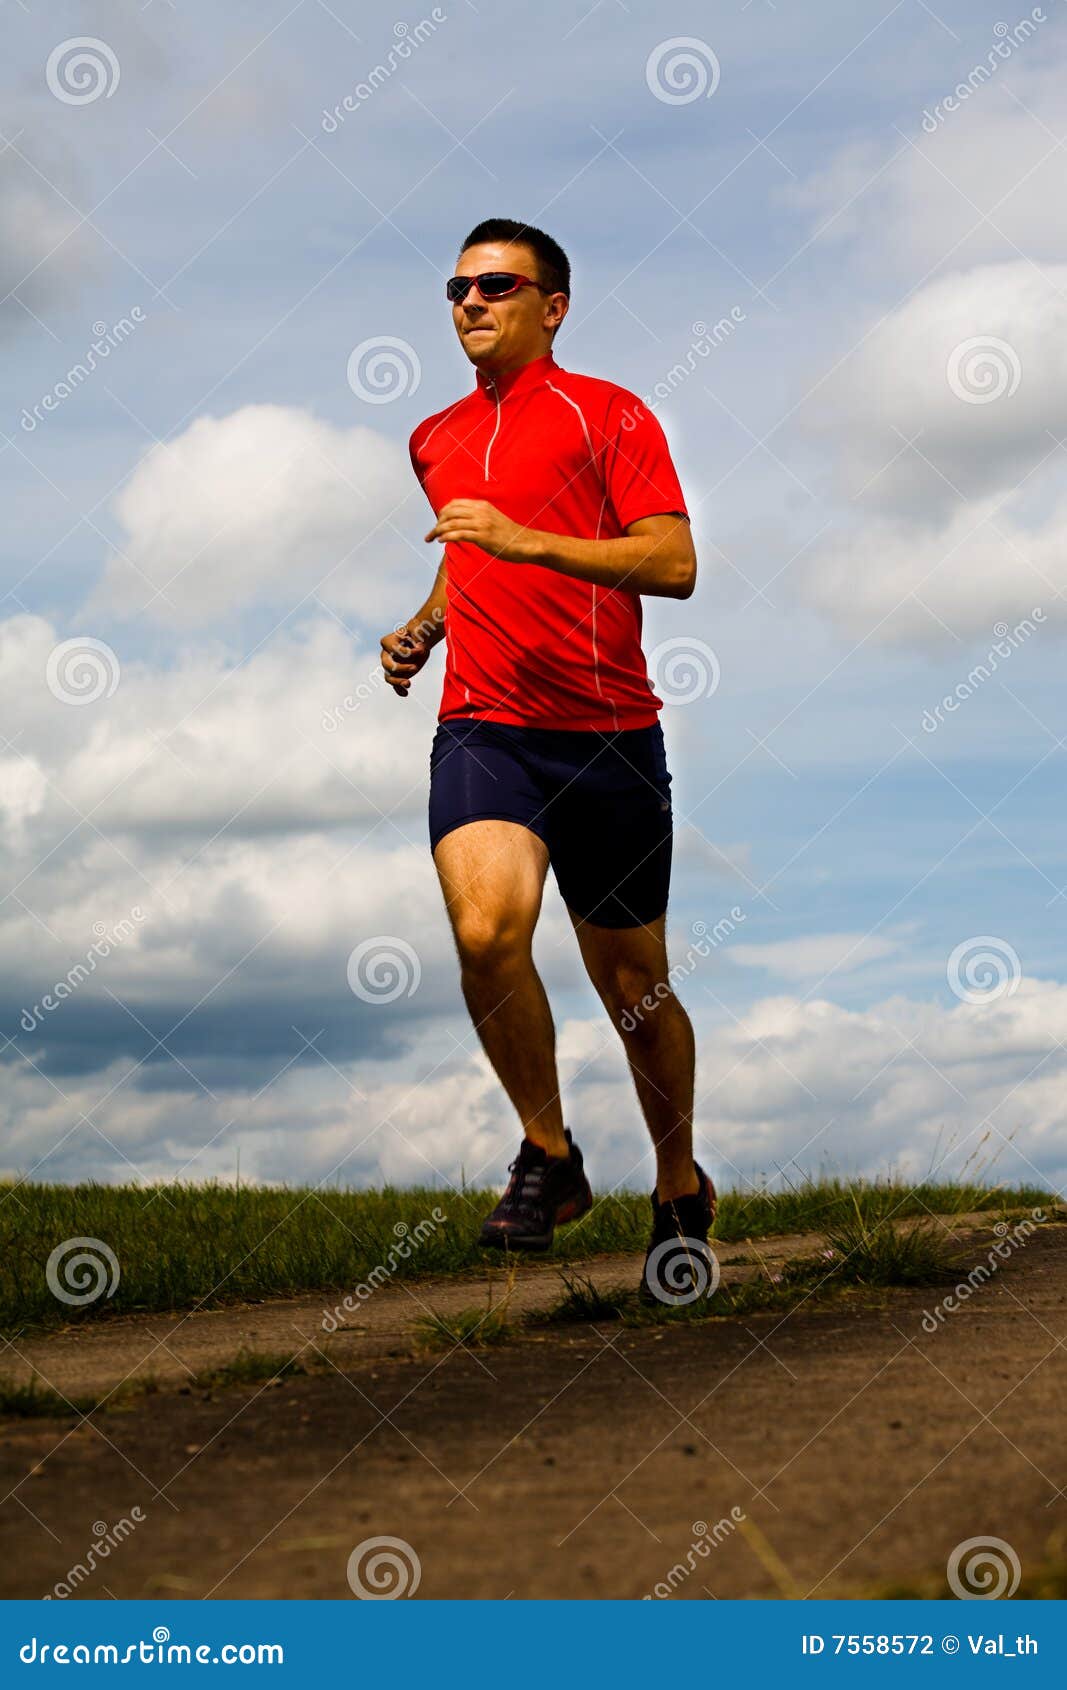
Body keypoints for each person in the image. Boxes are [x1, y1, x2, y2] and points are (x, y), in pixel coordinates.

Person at [380, 217, 716, 1301]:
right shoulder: (433, 435)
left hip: (609, 733)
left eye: (494, 285)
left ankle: (676, 1181)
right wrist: (429, 622)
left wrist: (532, 542)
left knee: (632, 983)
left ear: (550, 305)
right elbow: (470, 554)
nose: (469, 303)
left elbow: (671, 562)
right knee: (485, 930)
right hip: (487, 725)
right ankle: (550, 1152)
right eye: (456, 286)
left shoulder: (607, 413)